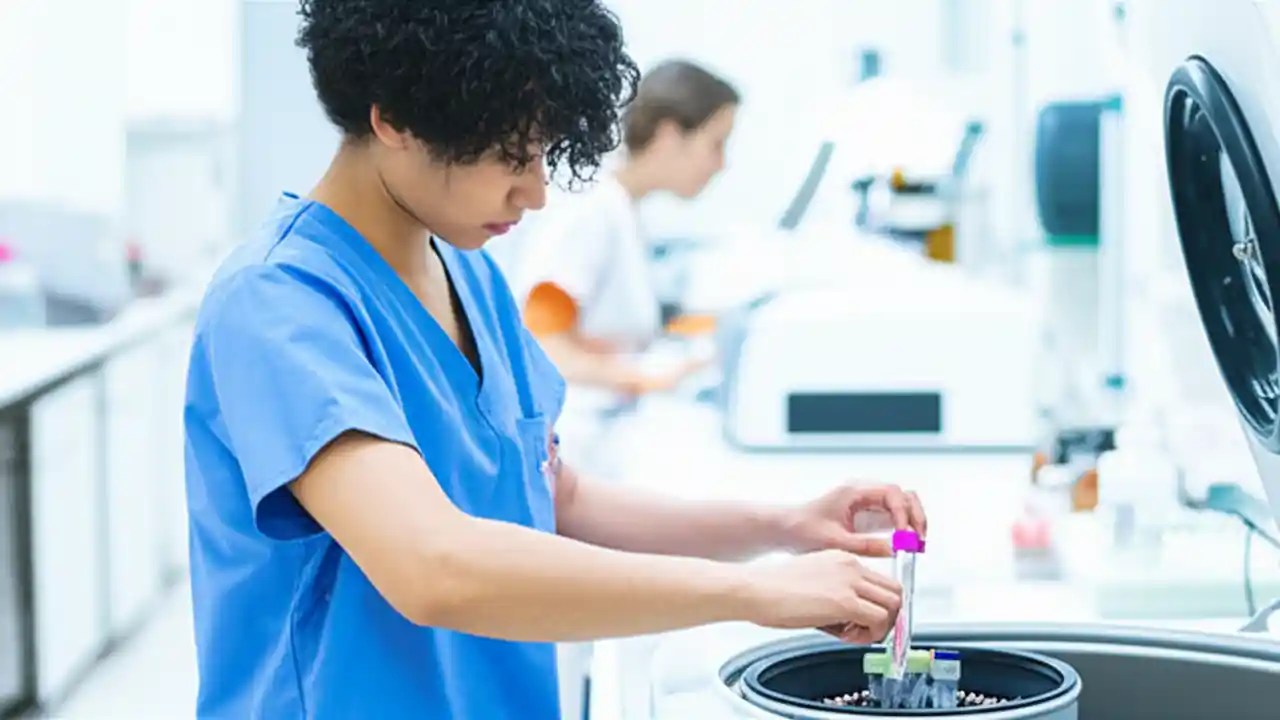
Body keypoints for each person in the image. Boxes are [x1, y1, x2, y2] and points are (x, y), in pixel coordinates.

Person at [181, 2, 928, 719]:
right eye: (512, 154)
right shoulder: (280, 303)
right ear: (395, 118)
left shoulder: (468, 274)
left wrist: (783, 525)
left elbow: (554, 498)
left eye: (544, 152)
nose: (536, 192)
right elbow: (431, 566)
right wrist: (756, 593)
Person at [515, 59, 740, 398]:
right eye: (716, 144)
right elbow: (543, 346)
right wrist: (644, 378)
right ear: (669, 135)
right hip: (577, 422)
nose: (721, 164)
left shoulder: (623, 210)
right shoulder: (590, 210)